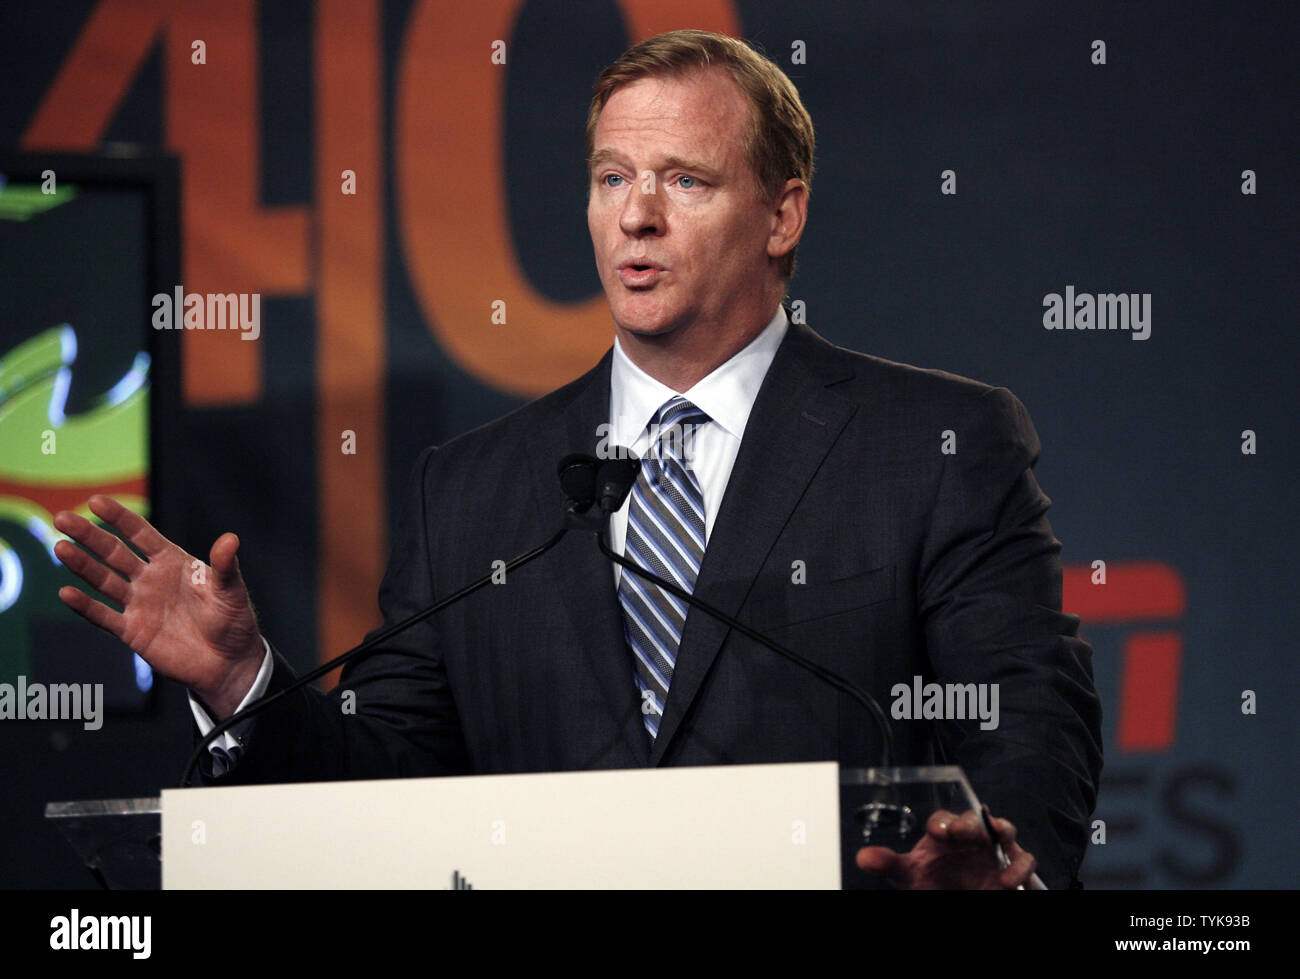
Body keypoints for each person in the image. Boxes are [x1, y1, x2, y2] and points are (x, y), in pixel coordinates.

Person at [53, 30, 1101, 889]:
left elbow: (1023, 714)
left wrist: (1003, 863)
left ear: (782, 213)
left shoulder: (929, 444)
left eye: (684, 180)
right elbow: (386, 780)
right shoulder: (474, 489)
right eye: (613, 177)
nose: (635, 215)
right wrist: (246, 681)